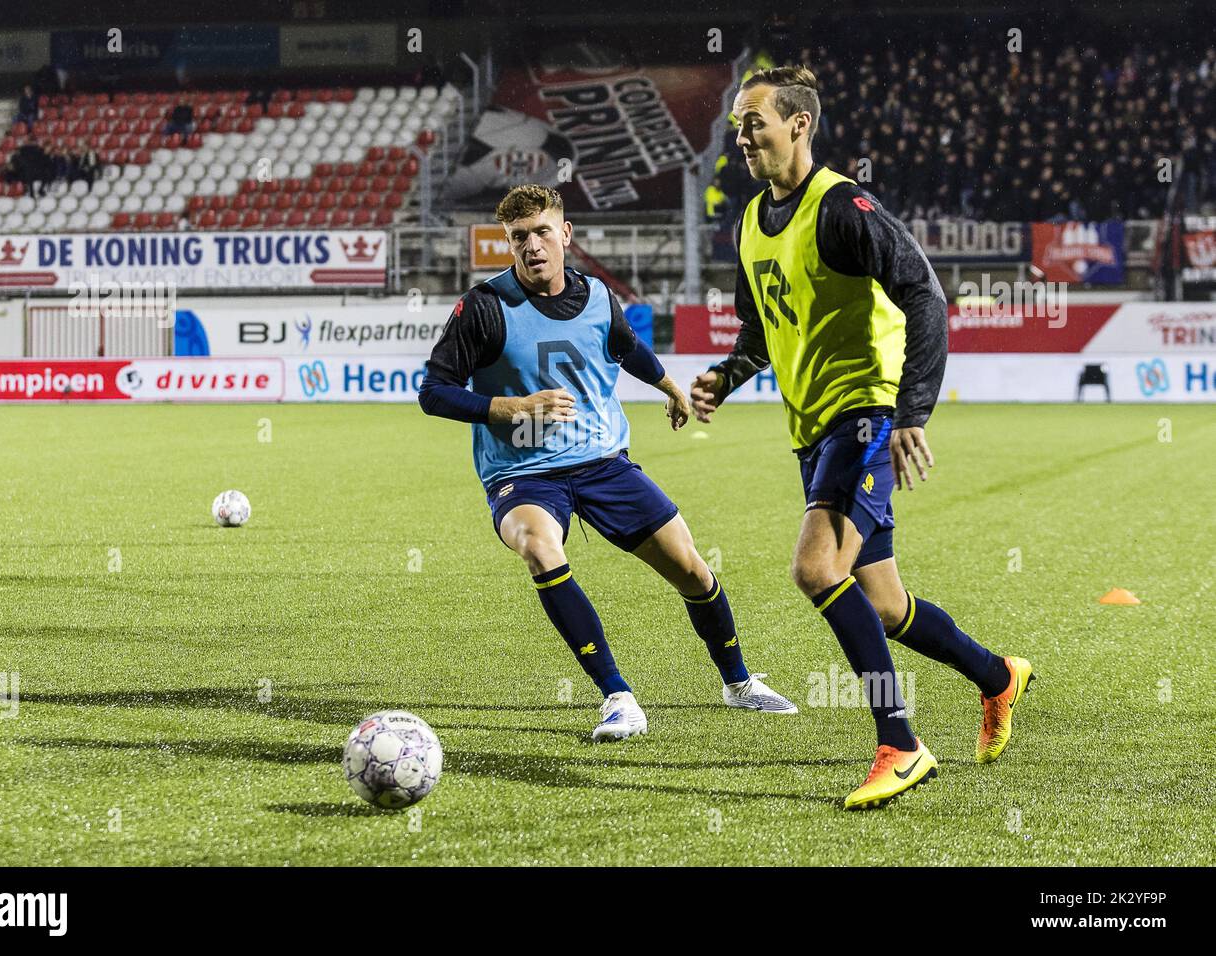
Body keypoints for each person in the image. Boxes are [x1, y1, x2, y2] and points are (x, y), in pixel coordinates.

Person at [690, 65, 1034, 810]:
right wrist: (726, 375)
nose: (743, 136)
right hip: (814, 431)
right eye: (738, 125)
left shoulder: (843, 206)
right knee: (882, 605)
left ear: (799, 125)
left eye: (756, 122)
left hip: (866, 416)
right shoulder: (752, 218)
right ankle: (997, 675)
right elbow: (762, 326)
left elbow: (924, 292)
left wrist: (911, 413)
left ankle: (900, 744)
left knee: (815, 569)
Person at [419, 184, 797, 741]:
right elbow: (434, 391)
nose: (532, 246)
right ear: (508, 243)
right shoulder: (484, 308)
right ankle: (617, 697)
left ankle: (738, 683)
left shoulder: (597, 295)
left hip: (603, 463)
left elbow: (625, 347)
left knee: (692, 570)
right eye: (518, 237)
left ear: (564, 234)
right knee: (539, 549)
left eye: (542, 232)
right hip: (522, 473)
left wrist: (670, 385)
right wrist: (510, 407)